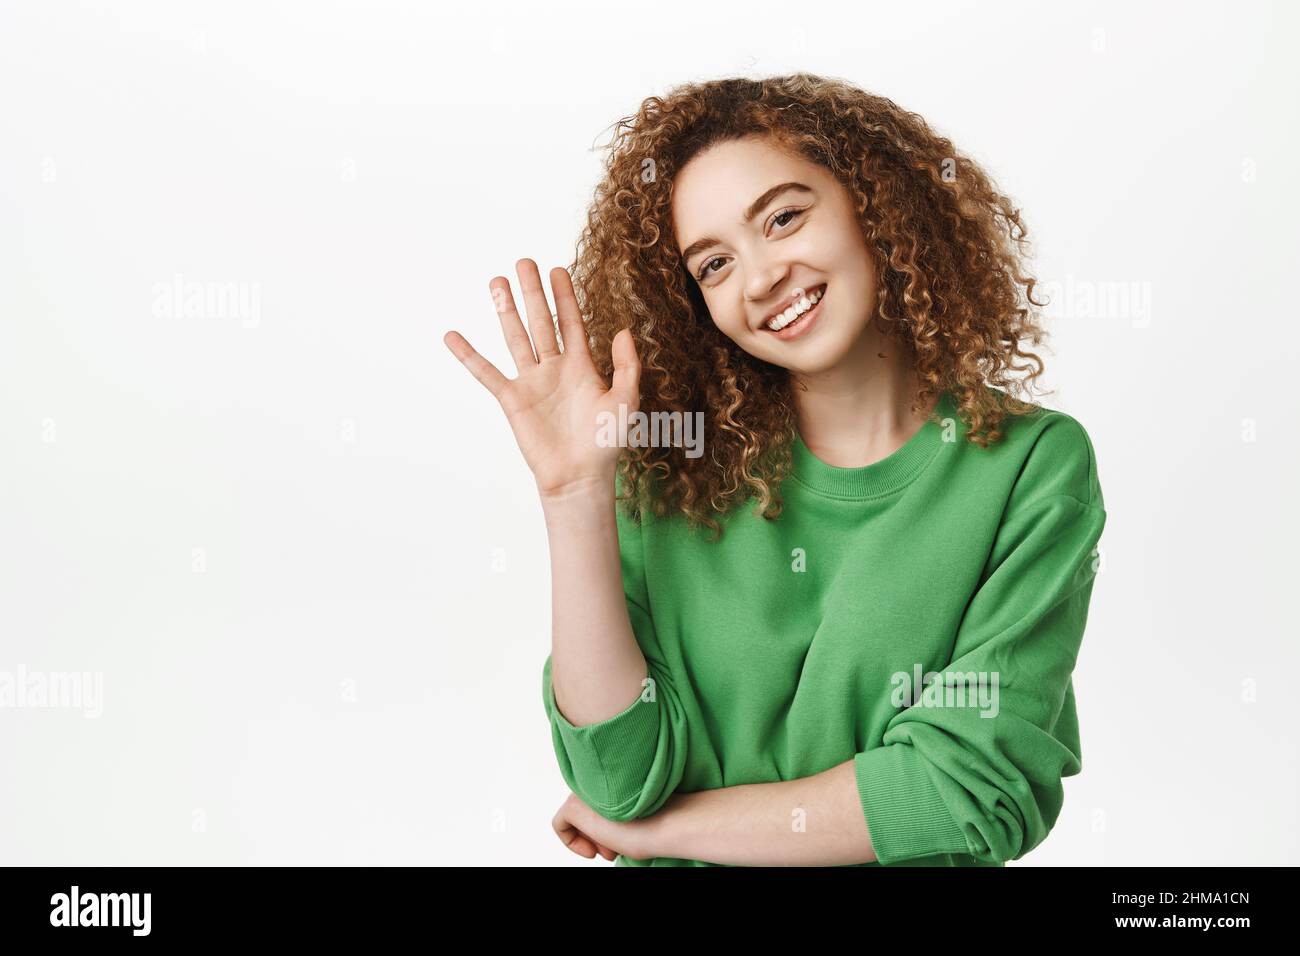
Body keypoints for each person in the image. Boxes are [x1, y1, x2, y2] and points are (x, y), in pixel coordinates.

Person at [444, 73, 1107, 866]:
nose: (760, 279)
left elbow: (963, 793)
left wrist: (662, 834)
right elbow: (616, 780)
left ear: (874, 203)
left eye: (784, 218)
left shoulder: (1029, 465)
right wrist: (575, 493)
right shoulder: (667, 471)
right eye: (714, 265)